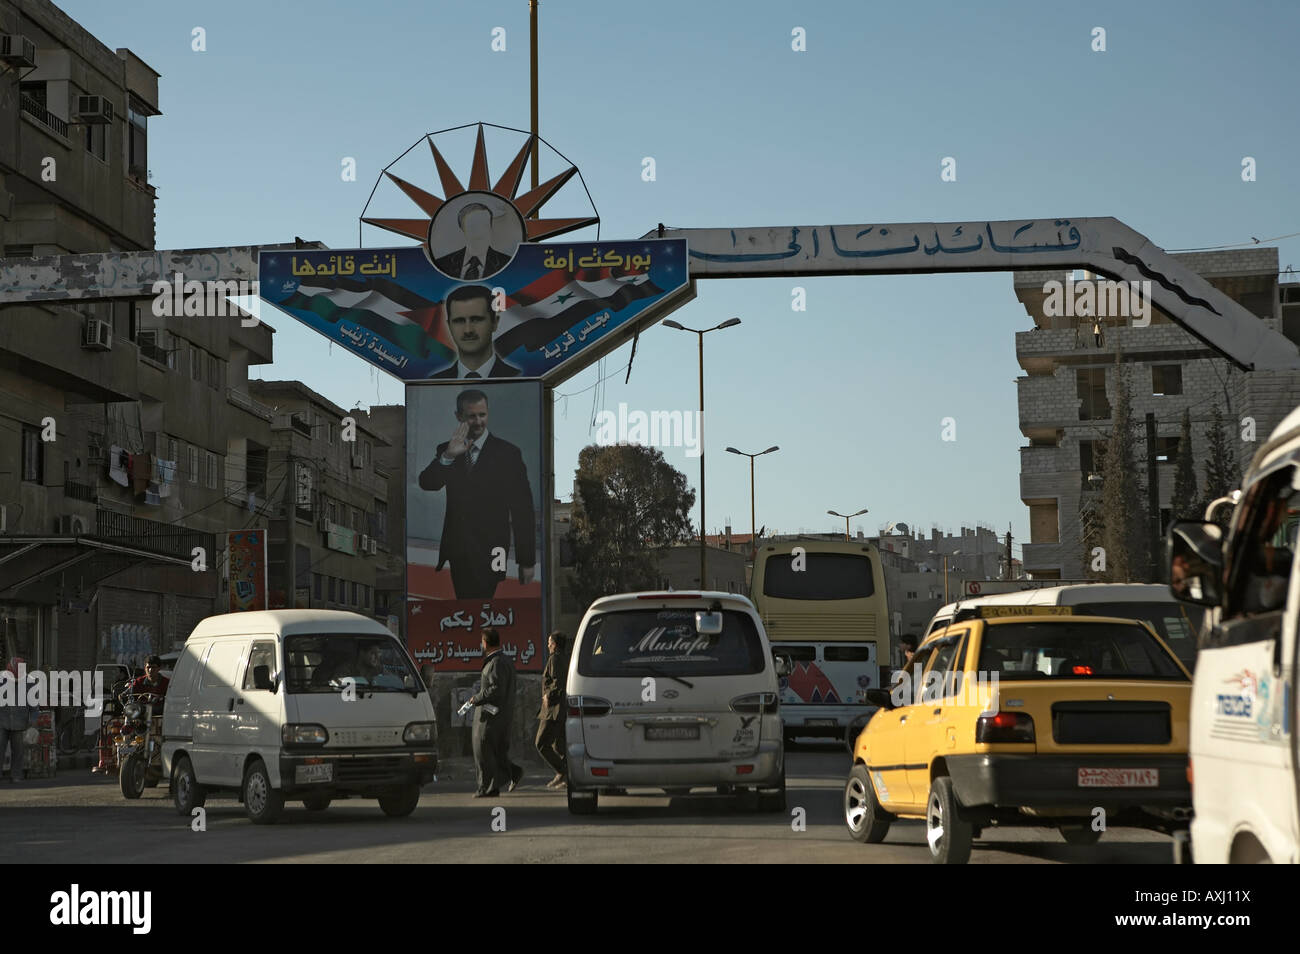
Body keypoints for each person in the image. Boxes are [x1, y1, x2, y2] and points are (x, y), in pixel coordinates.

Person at [417, 388, 537, 599]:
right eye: (472, 416)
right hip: (459, 551)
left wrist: (526, 561)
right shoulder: (448, 449)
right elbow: (427, 483)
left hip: (493, 551)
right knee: (466, 606)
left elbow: (522, 509)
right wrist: (448, 456)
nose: (479, 421)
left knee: (483, 604)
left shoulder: (507, 454)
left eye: (482, 415)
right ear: (459, 417)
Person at [468, 628, 523, 797]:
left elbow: (496, 689)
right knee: (494, 752)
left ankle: (486, 787)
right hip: (498, 715)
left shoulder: (497, 662)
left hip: (492, 716)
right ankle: (498, 783)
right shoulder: (500, 660)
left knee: (483, 750)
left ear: (485, 642)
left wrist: (476, 698)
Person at [430, 285, 520, 379]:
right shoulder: (433, 382)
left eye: (476, 319)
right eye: (459, 321)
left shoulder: (518, 378)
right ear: (449, 326)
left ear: (494, 323)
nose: (468, 330)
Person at [433, 203, 513, 281]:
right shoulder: (442, 264)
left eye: (485, 225)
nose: (480, 232)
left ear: (490, 228)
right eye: (473, 226)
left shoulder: (508, 264)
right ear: (462, 229)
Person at [535, 631, 568, 789]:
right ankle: (567, 776)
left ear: (554, 644)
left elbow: (558, 682)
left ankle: (563, 772)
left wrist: (548, 695)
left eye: (550, 642)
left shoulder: (555, 658)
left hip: (553, 710)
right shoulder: (562, 658)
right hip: (559, 709)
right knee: (559, 745)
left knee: (541, 743)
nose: (548, 645)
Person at [0, 657, 37, 783]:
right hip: (2, 721)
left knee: (18, 751)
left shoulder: (30, 683)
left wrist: (32, 723)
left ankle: (16, 775)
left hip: (20, 723)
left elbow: (34, 706)